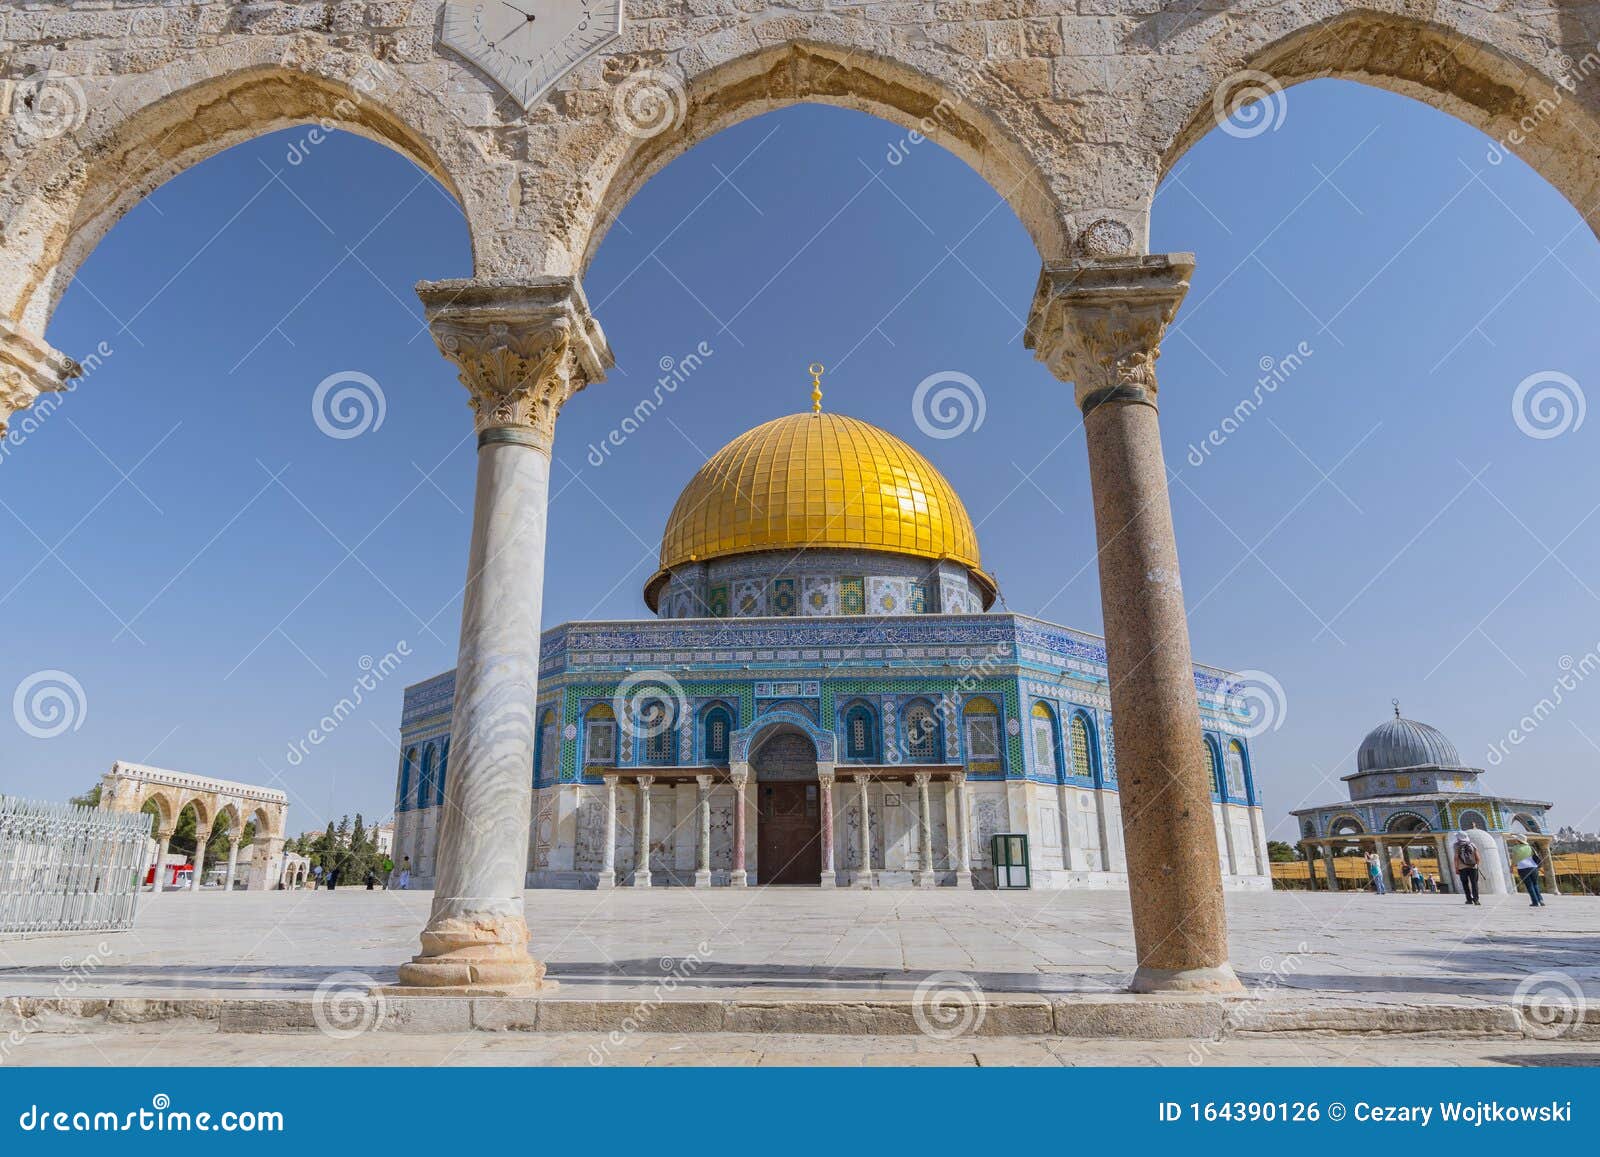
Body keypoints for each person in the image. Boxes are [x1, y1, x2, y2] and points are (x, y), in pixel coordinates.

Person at [1507, 835, 1544, 907]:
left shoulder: (1515, 848)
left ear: (1518, 841)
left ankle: (1535, 902)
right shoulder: (1530, 847)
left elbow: (1514, 859)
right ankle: (1540, 900)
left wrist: (1511, 867)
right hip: (1534, 867)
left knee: (1529, 885)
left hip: (1523, 868)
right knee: (1535, 884)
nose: (1515, 840)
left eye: (1516, 839)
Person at [1453, 834, 1481, 906]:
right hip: (1473, 867)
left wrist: (1456, 868)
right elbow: (1478, 857)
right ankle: (1476, 900)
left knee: (1465, 884)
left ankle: (1469, 900)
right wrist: (1476, 865)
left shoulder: (1456, 845)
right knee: (1474, 884)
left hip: (1462, 868)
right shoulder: (1472, 844)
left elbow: (1456, 858)